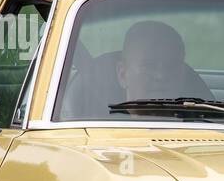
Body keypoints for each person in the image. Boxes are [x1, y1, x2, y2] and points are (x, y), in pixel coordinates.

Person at [61, 19, 213, 117]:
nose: (160, 75)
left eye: (170, 66)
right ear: (122, 74)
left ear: (181, 75)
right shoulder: (94, 135)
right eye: (148, 66)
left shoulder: (211, 131)